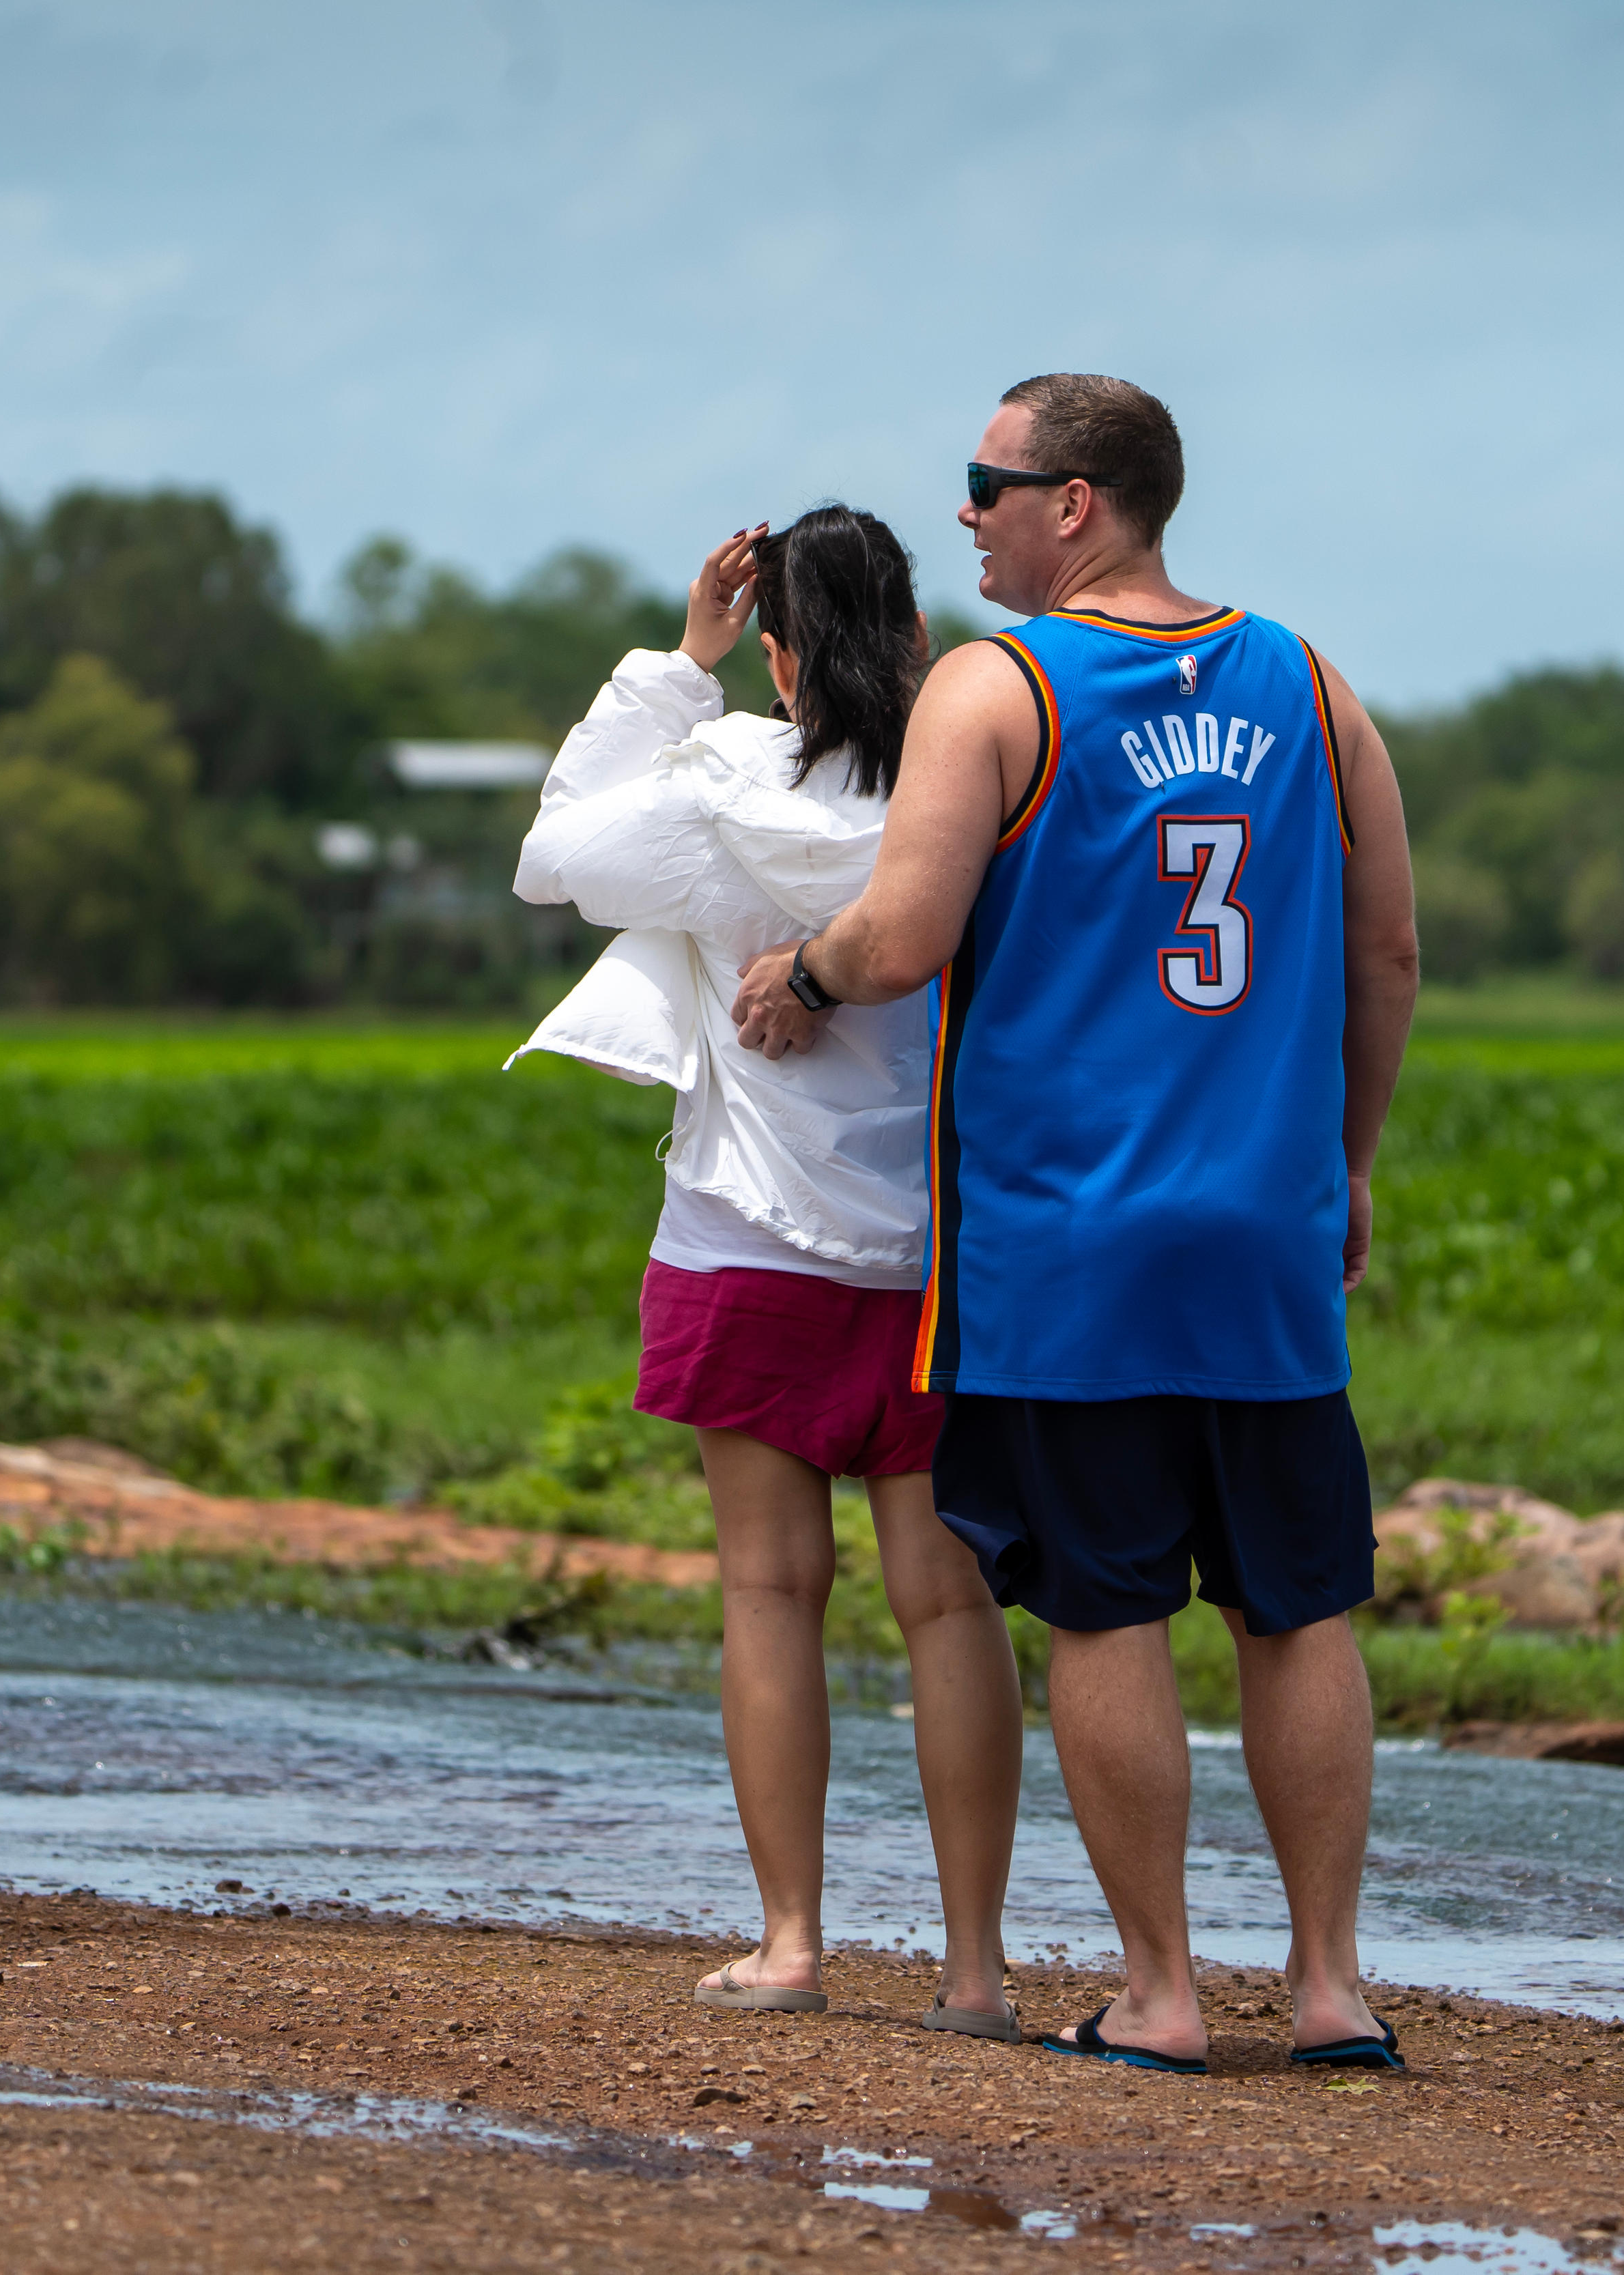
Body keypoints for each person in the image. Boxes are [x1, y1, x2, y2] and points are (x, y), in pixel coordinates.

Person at [730, 376, 1421, 2076]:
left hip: (1069, 1239)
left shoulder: (1000, 683)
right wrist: (1343, 1163)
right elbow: (1388, 952)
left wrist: (799, 970)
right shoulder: (1312, 683)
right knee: (1293, 1601)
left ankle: (1162, 1991)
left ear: (1077, 504)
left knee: (1108, 1607)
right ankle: (1330, 1986)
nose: (963, 511)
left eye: (988, 481)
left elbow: (903, 932)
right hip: (1262, 1228)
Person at [511, 506, 1027, 2039]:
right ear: (917, 636)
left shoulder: (716, 786)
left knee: (768, 1590)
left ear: (781, 656)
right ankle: (976, 1973)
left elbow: (553, 855)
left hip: (745, 1241)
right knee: (952, 1608)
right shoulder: (980, 794)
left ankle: (791, 1942)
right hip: (943, 1255)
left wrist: (685, 666)